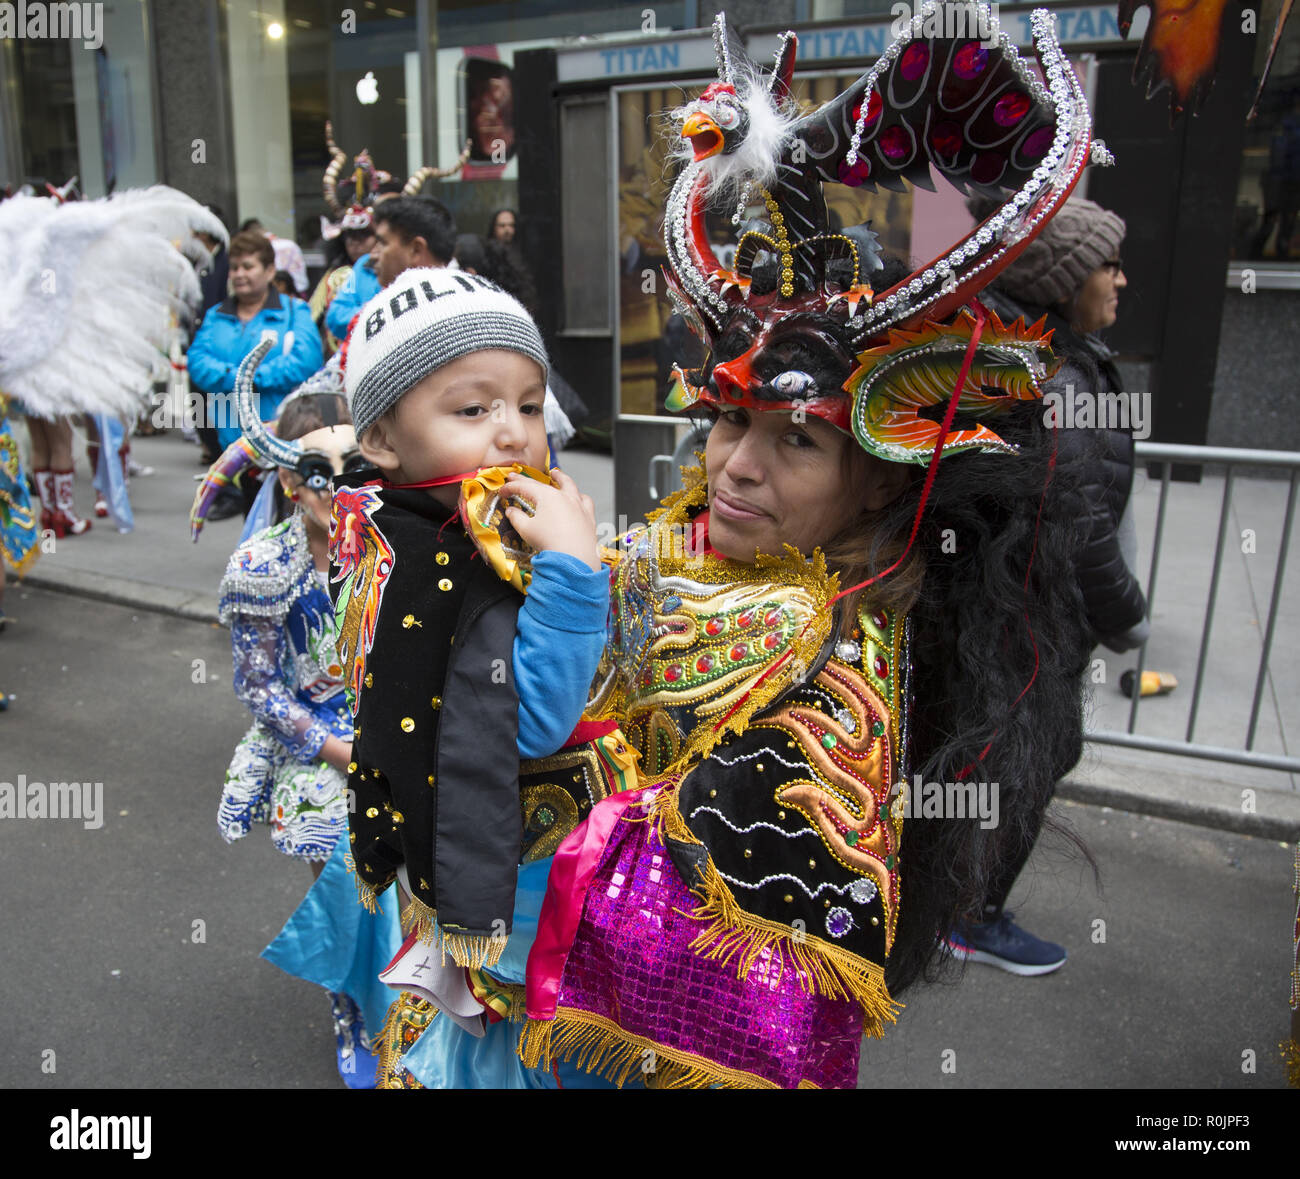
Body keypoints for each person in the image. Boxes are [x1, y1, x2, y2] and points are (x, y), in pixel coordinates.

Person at [389, 7, 1099, 1088]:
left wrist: (524, 774)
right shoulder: (678, 544)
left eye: (795, 440)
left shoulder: (842, 660)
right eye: (728, 420)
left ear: (882, 462)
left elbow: (695, 946)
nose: (736, 466)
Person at [326, 265, 616, 1086]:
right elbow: (527, 719)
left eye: (528, 404)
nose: (514, 431)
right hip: (523, 896)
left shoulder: (411, 522)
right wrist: (574, 571)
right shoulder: (432, 561)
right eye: (473, 407)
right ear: (380, 438)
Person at [954, 196, 1149, 976]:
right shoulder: (1058, 379)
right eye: (1109, 264)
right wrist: (1128, 615)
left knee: (1010, 761)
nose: (1123, 279)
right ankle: (969, 915)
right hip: (1032, 622)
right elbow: (1079, 525)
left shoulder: (1067, 358)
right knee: (1025, 764)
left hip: (1032, 620)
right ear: (1066, 280)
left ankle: (959, 903)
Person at [216, 354, 400, 1086]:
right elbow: (259, 689)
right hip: (315, 746)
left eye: (355, 467)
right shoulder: (264, 565)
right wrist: (337, 748)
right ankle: (354, 1010)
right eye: (318, 473)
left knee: (412, 876)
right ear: (291, 481)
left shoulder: (394, 548)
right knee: (347, 874)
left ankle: (411, 1005)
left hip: (398, 727)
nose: (340, 490)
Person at [187, 230, 323, 517]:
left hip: (284, 436)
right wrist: (237, 376)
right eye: (234, 267)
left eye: (248, 266)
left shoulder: (294, 311)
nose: (239, 274)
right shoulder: (215, 315)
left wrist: (249, 377)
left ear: (270, 270)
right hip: (234, 443)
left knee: (294, 516)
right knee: (253, 521)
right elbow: (198, 361)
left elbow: (305, 360)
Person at [323, 196, 456, 343]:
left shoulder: (454, 309)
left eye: (382, 242)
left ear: (416, 250)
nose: (375, 251)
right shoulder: (363, 266)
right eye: (350, 236)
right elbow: (335, 317)